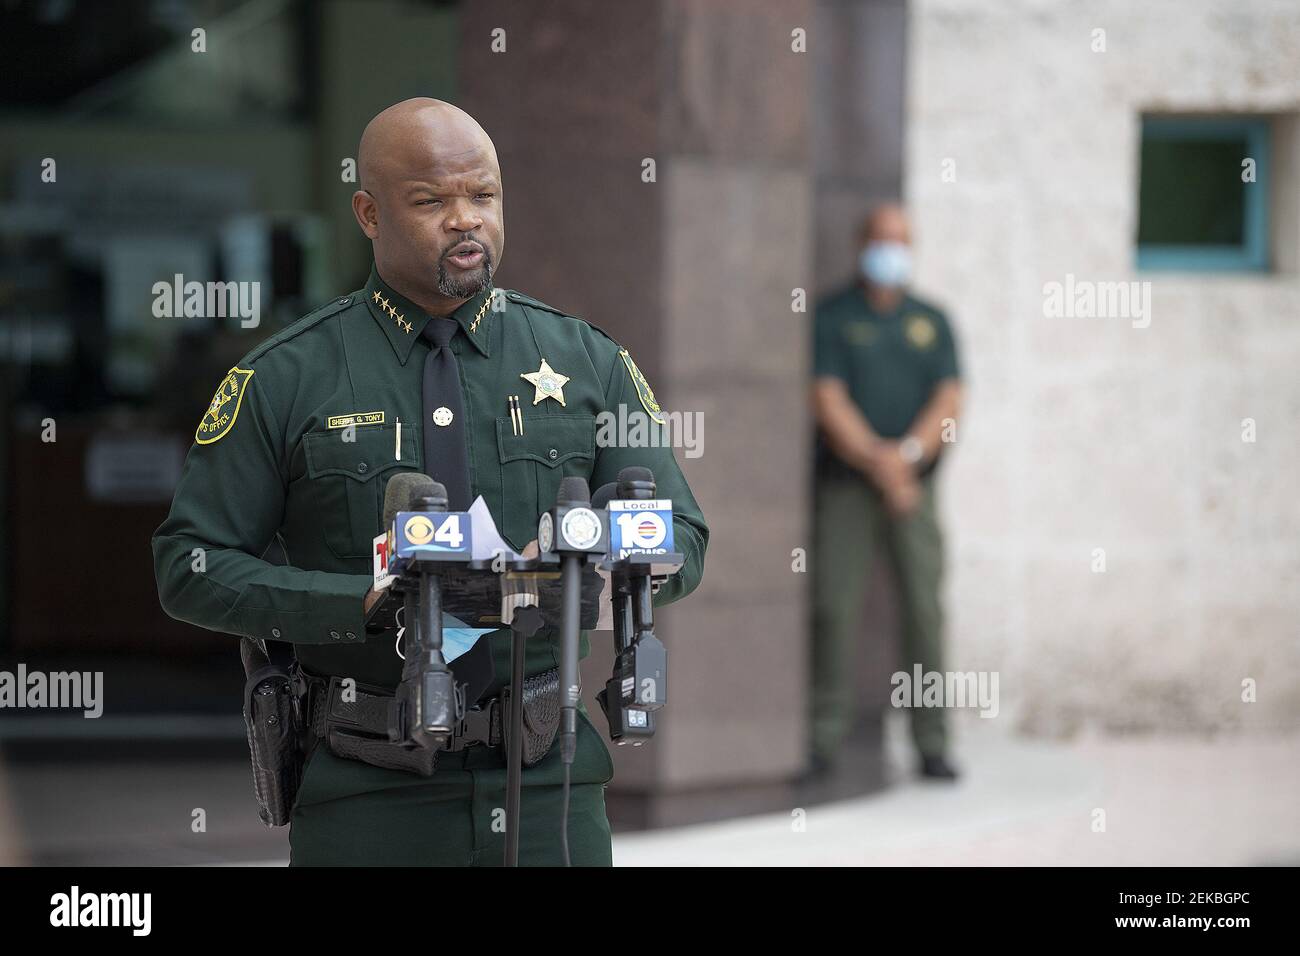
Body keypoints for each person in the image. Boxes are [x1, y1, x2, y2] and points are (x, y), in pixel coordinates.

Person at [151, 98, 708, 865]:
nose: (464, 219)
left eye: (482, 195)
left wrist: (594, 567)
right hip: (367, 791)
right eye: (431, 200)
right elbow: (191, 567)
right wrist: (366, 604)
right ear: (369, 212)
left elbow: (684, 534)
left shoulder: (588, 362)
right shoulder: (284, 377)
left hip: (549, 787)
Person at [809, 203, 962, 780]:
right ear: (862, 243)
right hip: (848, 486)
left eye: (902, 241)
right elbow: (827, 399)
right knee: (832, 608)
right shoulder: (833, 315)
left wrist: (910, 459)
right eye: (882, 240)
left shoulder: (933, 320)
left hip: (914, 491)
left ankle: (933, 743)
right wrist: (883, 463)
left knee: (925, 610)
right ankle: (822, 738)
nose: (891, 251)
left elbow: (950, 401)